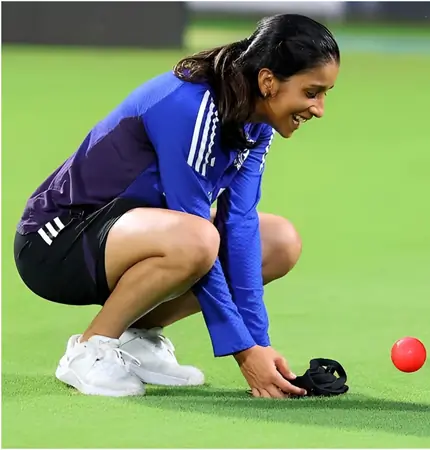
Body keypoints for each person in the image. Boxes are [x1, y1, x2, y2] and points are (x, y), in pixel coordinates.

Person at [12, 14, 340, 398]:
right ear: (268, 81)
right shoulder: (192, 107)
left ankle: (138, 338)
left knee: (278, 242)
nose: (318, 108)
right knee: (198, 240)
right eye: (312, 92)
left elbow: (241, 225)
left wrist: (260, 342)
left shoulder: (256, 124)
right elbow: (195, 230)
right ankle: (90, 349)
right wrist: (244, 353)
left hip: (127, 236)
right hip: (56, 242)